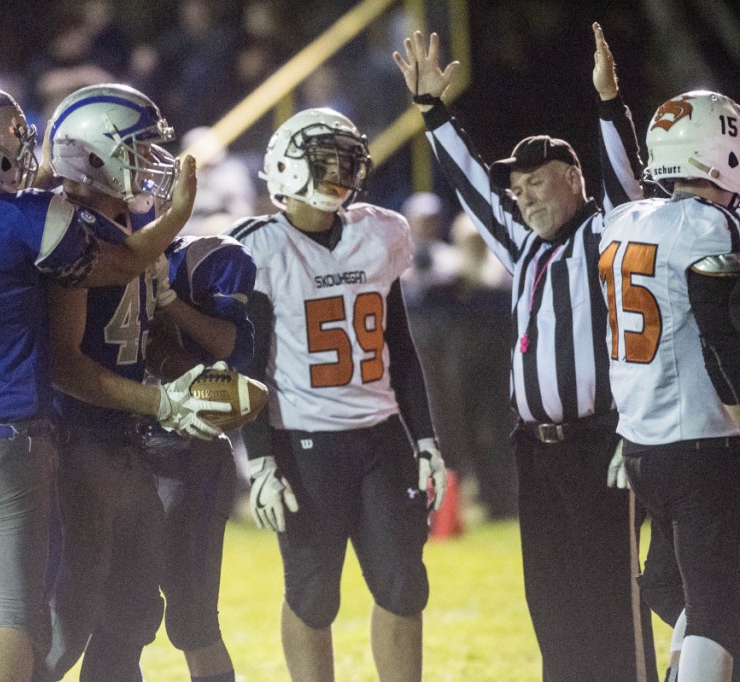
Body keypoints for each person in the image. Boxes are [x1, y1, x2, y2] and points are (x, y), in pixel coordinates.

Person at [0, 83, 223, 682]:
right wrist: (177, 217)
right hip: (9, 441)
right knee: (27, 627)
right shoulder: (34, 221)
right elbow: (122, 265)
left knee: (1, 619)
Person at [394, 25, 657, 680]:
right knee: (553, 602)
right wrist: (433, 112)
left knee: (612, 602)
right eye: (519, 189)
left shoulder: (608, 232)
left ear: (572, 176)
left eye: (536, 183)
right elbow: (474, 188)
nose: (523, 197)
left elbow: (627, 185)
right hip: (534, 449)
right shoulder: (527, 248)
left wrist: (607, 107)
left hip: (603, 443)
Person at [229, 106, 447, 682]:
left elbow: (398, 344)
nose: (344, 173)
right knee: (313, 593)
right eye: (329, 161)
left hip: (381, 435)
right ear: (286, 168)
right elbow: (247, 364)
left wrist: (425, 437)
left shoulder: (380, 231)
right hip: (304, 441)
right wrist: (259, 461)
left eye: (350, 160)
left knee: (404, 587)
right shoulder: (257, 248)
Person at [39, 83, 230, 682]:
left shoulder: (137, 220)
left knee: (133, 610)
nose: (154, 161)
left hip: (123, 439)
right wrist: (159, 401)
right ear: (92, 153)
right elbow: (65, 364)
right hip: (72, 442)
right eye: (139, 148)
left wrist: (191, 382)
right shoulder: (63, 228)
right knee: (67, 620)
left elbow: (137, 337)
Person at [601, 89, 740, 682]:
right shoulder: (708, 227)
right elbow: (720, 340)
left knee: (690, 590)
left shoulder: (624, 219)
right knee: (717, 609)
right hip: (702, 443)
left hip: (642, 446)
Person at [144, 233, 256, 682]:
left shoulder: (205, 259)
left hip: (183, 450)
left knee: (191, 619)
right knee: (116, 616)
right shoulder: (84, 248)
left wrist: (168, 300)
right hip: (107, 445)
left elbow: (231, 354)